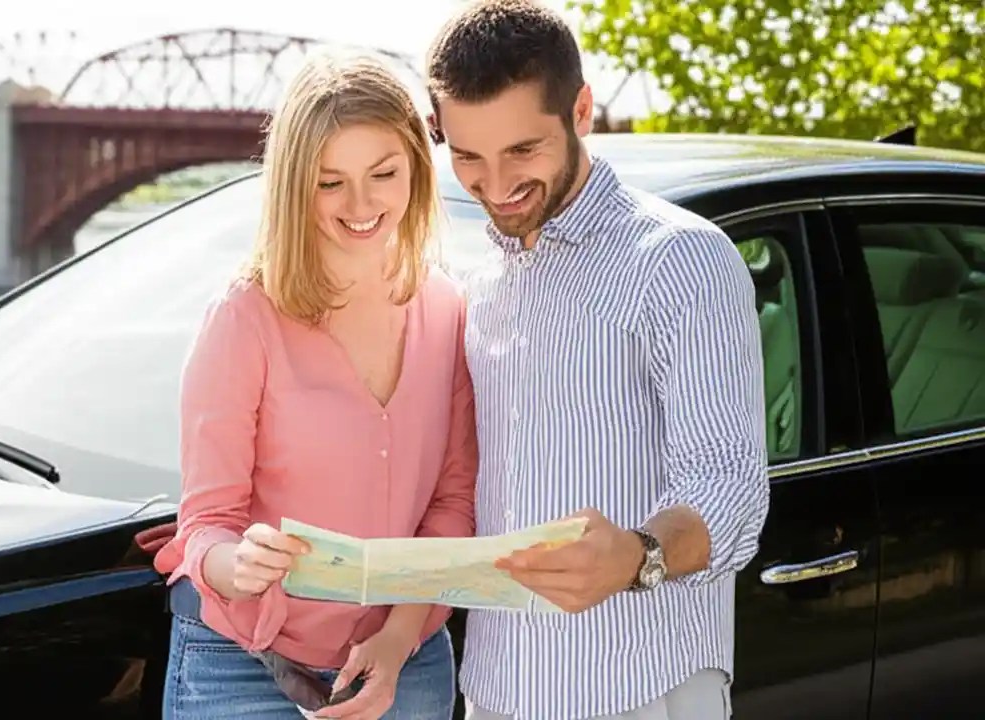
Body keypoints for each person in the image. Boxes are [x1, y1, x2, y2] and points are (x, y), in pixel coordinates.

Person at [421, 2, 771, 719]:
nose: (494, 186)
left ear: (581, 110)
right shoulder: (472, 272)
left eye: (523, 151)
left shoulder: (680, 259)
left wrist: (637, 554)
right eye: (467, 157)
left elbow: (732, 487)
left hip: (640, 685)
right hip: (497, 688)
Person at [151, 49, 478, 720]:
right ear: (295, 185)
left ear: (417, 164)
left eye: (383, 173)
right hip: (243, 669)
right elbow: (206, 525)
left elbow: (450, 506)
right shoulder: (243, 319)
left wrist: (395, 640)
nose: (362, 205)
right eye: (331, 182)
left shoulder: (448, 310)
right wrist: (236, 563)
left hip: (403, 662)